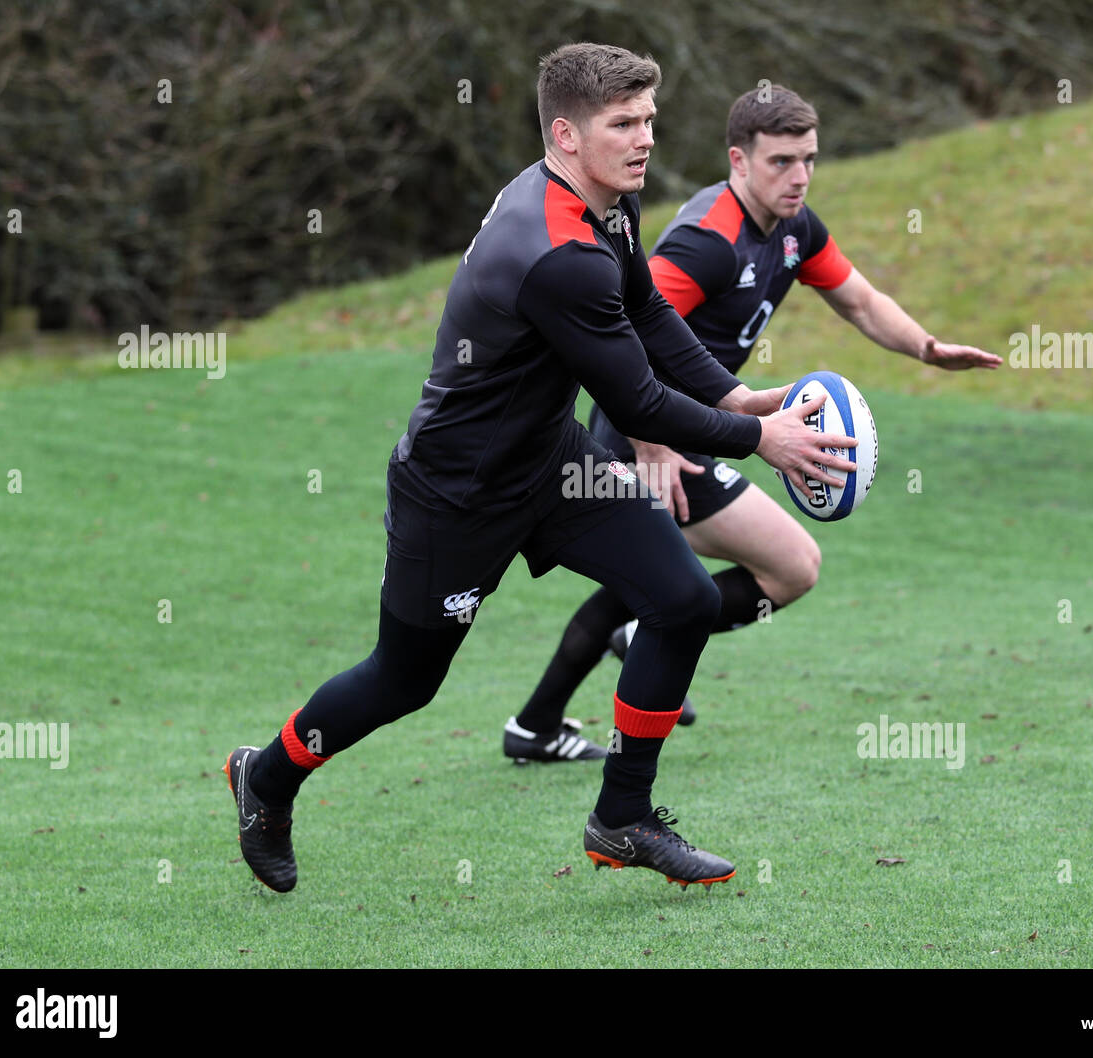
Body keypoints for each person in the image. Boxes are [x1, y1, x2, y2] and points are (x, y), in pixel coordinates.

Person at [224, 46, 857, 892]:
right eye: (623, 124)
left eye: (649, 121)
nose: (644, 141)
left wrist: (743, 399)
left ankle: (622, 818)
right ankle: (266, 777)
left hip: (554, 464)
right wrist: (765, 442)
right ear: (565, 133)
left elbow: (649, 314)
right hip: (458, 491)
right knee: (404, 680)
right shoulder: (559, 252)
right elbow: (637, 404)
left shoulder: (606, 201)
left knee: (685, 599)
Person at [505, 84, 1002, 762]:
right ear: (739, 160)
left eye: (809, 160)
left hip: (706, 428)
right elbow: (622, 331)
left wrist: (926, 348)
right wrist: (647, 444)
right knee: (671, 584)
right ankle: (561, 717)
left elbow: (858, 300)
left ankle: (559, 704)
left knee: (788, 568)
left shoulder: (796, 229)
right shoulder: (709, 242)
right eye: (781, 162)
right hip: (644, 435)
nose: (799, 177)